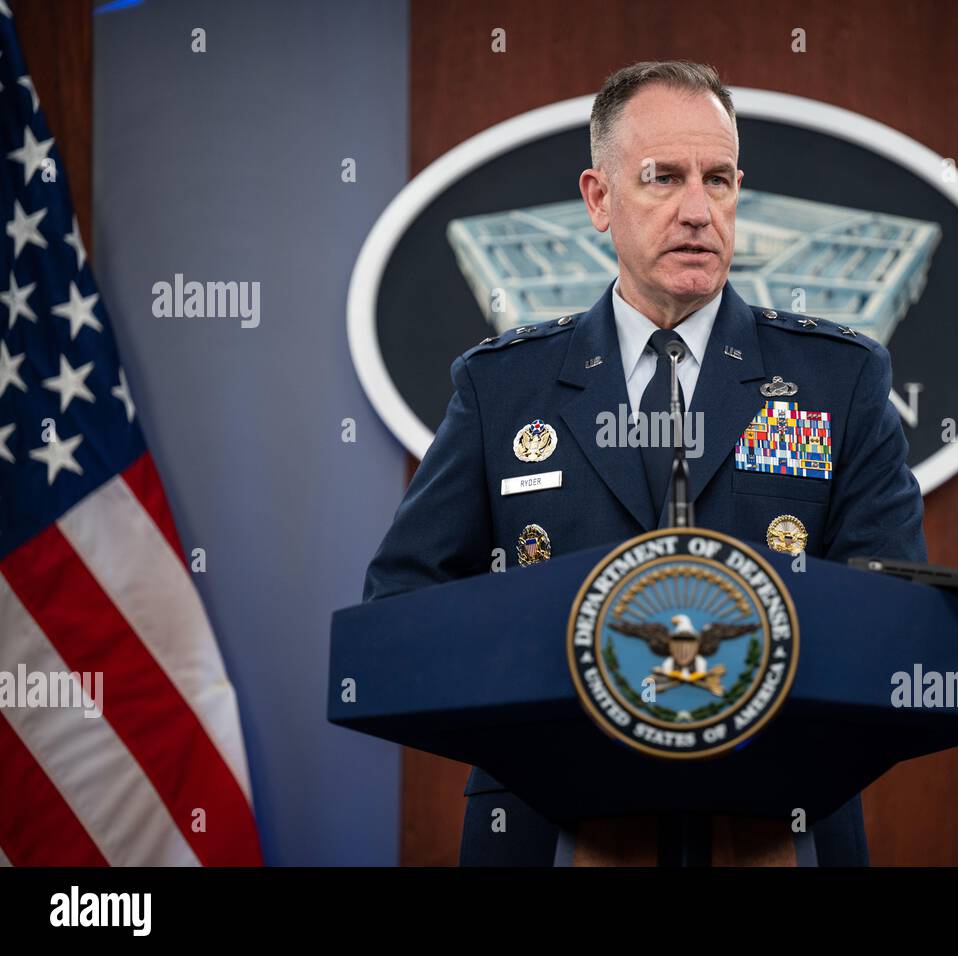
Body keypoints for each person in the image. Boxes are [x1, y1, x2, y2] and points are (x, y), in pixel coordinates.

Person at [362, 59, 926, 866]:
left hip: (778, 829)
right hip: (550, 824)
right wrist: (553, 710)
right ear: (598, 199)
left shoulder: (841, 379)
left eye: (719, 179)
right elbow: (400, 607)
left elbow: (896, 615)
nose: (698, 210)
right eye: (663, 178)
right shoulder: (502, 386)